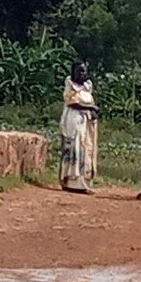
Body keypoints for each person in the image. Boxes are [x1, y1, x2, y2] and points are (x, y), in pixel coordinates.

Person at [59, 65, 99, 193]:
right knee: (76, 149)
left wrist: (91, 113)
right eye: (79, 71)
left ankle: (84, 182)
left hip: (86, 124)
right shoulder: (70, 86)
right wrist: (91, 108)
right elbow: (72, 102)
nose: (82, 73)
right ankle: (72, 181)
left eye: (84, 71)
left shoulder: (87, 88)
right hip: (74, 122)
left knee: (87, 150)